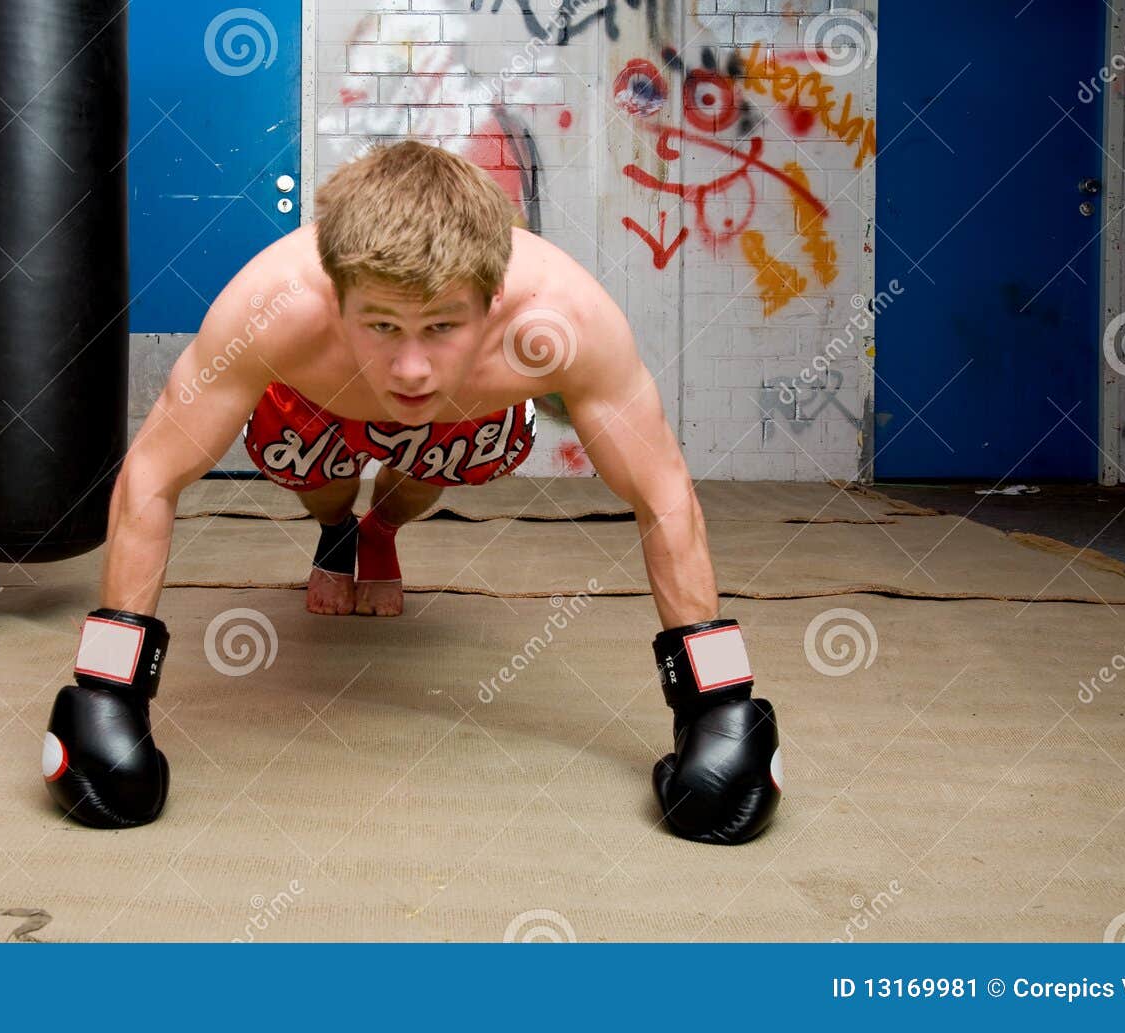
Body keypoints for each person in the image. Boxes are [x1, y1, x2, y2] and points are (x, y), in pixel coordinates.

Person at [41, 142, 782, 844]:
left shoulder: (566, 317)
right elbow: (152, 472)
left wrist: (716, 705)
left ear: (493, 300)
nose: (412, 366)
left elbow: (663, 493)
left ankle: (382, 528)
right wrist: (108, 690)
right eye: (383, 324)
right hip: (318, 413)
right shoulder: (273, 305)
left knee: (440, 454)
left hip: (463, 423)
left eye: (442, 326)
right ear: (335, 297)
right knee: (320, 477)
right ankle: (337, 528)